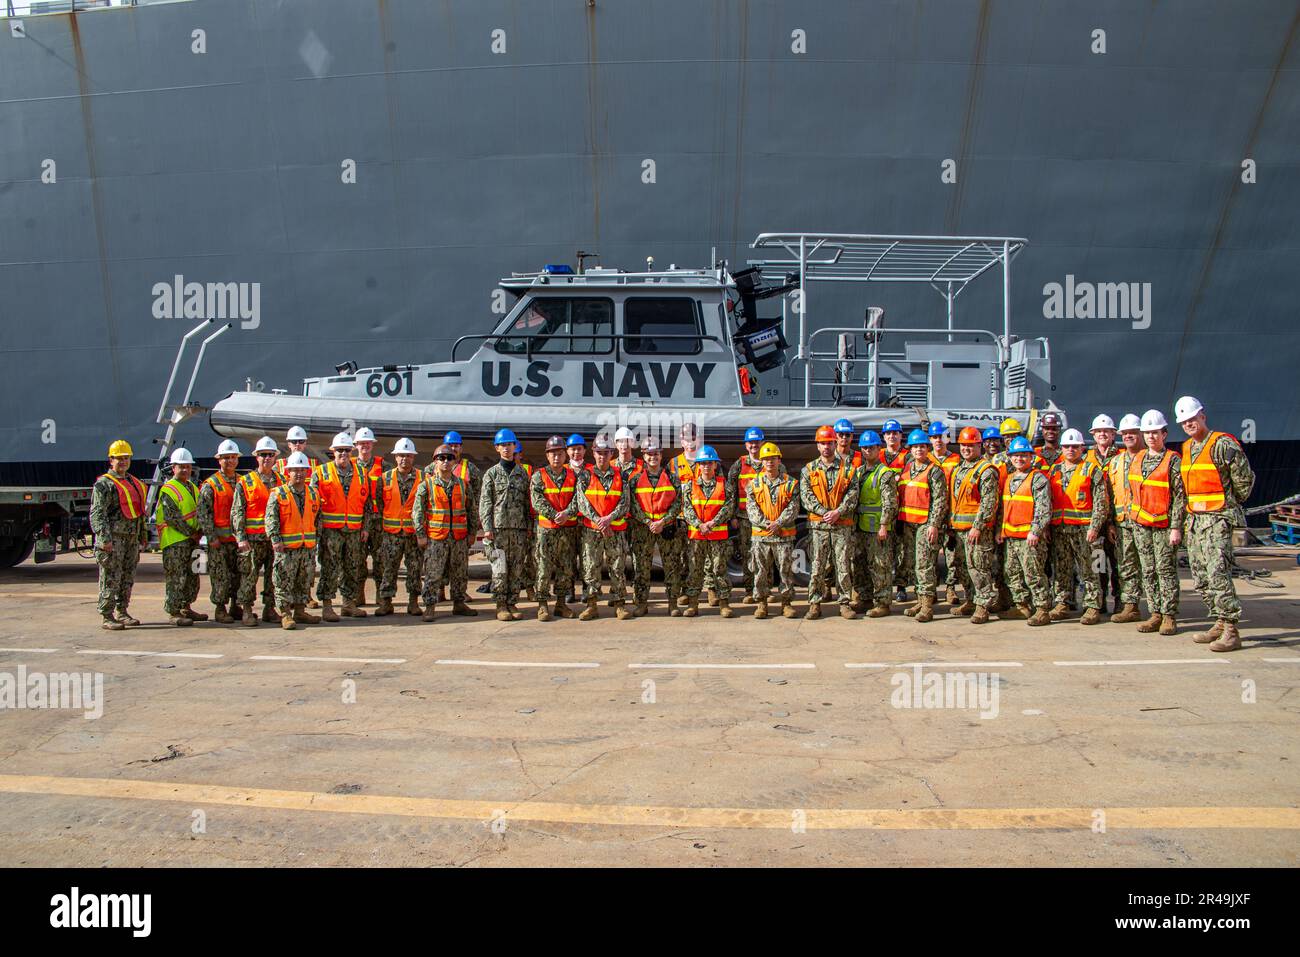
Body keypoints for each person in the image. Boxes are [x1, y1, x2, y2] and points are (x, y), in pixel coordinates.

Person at [1176, 396, 1255, 652]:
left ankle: (1231, 630)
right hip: (1196, 522)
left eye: (1192, 419)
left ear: (1202, 416)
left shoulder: (1222, 444)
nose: (1189, 424)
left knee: (1218, 573)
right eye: (1184, 422)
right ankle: (1219, 621)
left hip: (1218, 520)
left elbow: (1243, 481)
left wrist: (1230, 505)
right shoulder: (1187, 448)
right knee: (1199, 576)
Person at [1127, 410, 1186, 636]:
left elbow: (1179, 496)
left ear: (1164, 434)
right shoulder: (1138, 458)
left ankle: (1169, 615)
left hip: (1163, 525)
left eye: (1155, 433)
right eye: (1148, 433)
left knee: (1165, 570)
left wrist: (1175, 527)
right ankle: (1155, 613)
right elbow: (1133, 490)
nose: (1151, 437)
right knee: (1148, 570)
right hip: (1141, 524)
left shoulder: (1172, 460)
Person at [1046, 429, 1108, 625]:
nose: (1071, 449)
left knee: (1089, 568)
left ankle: (1092, 606)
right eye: (1067, 446)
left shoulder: (1092, 470)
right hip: (1060, 528)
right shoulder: (1054, 471)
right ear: (1061, 449)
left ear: (1082, 448)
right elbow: (1047, 501)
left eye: (1075, 446)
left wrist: (1095, 527)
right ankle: (1063, 602)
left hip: (1084, 529)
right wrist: (1047, 526)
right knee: (1062, 568)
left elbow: (1101, 502)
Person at [311, 432, 375, 621]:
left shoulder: (362, 473)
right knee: (329, 568)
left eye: (347, 450)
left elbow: (368, 504)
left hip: (354, 531)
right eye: (340, 450)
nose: (343, 454)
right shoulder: (321, 473)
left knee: (352, 567)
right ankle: (328, 606)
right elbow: (313, 504)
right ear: (333, 451)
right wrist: (317, 531)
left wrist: (365, 528)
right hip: (331, 531)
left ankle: (348, 604)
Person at [800, 425, 860, 620]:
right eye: (822, 443)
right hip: (818, 527)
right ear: (817, 445)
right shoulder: (808, 470)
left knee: (843, 565)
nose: (826, 446)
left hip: (841, 525)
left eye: (829, 443)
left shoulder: (849, 469)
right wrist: (825, 513)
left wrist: (838, 512)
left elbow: (853, 495)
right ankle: (815, 604)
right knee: (818, 566)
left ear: (835, 444)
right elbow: (806, 497)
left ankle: (844, 603)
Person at [90, 440, 148, 630]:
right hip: (113, 540)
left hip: (131, 538)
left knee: (127, 577)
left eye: (126, 458)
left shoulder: (133, 482)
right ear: (111, 459)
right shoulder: (104, 484)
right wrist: (104, 539)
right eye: (119, 458)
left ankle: (122, 611)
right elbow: (98, 513)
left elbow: (140, 512)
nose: (123, 462)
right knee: (110, 577)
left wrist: (142, 535)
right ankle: (107, 615)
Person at [414, 444, 476, 621]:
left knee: (460, 572)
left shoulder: (463, 485)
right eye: (441, 458)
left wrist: (472, 533)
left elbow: (471, 510)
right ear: (435, 462)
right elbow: (417, 511)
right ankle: (430, 606)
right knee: (433, 573)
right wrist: (420, 534)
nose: (446, 461)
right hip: (436, 538)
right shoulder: (427, 485)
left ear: (455, 462)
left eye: (449, 458)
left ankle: (459, 603)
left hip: (458, 538)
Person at [998, 436, 1053, 625]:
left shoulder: (1038, 478)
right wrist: (1001, 530)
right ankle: (1021, 606)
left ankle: (1042, 608)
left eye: (1023, 455)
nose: (1019, 459)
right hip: (1011, 536)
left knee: (1034, 574)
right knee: (1012, 572)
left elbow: (1043, 508)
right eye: (1016, 456)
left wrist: (1036, 531)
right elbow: (1005, 508)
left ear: (1031, 457)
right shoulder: (1010, 478)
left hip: (1029, 537)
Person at [575, 436, 632, 620]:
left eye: (606, 453)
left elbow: (625, 503)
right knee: (591, 567)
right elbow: (581, 503)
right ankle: (592, 605)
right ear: (593, 453)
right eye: (599, 453)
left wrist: (608, 519)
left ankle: (620, 605)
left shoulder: (621, 475)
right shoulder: (585, 475)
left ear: (611, 454)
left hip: (615, 530)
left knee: (618, 567)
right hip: (592, 531)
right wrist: (600, 522)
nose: (602, 456)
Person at [479, 428, 532, 621]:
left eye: (509, 444)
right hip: (498, 530)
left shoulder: (522, 473)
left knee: (516, 568)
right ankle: (501, 605)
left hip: (518, 529)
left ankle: (512, 603)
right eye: (502, 445)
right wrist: (487, 528)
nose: (506, 448)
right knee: (499, 568)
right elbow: (485, 502)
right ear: (497, 448)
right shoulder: (491, 474)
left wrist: (529, 528)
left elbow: (527, 502)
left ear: (514, 446)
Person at [628, 437, 685, 616]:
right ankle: (642, 603)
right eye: (649, 454)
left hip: (666, 528)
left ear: (661, 455)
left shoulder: (672, 478)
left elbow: (678, 504)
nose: (653, 457)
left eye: (656, 454)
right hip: (643, 530)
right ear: (644, 456)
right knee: (641, 568)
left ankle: (673, 603)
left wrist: (663, 521)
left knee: (671, 566)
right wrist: (648, 522)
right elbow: (632, 505)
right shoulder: (635, 479)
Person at [948, 427, 1000, 623]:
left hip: (977, 531)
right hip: (958, 530)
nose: (966, 449)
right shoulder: (959, 469)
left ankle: (982, 606)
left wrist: (978, 526)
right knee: (962, 568)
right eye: (963, 445)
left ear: (979, 445)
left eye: (970, 445)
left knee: (979, 568)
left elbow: (989, 502)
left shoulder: (986, 470)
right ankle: (970, 600)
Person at [265, 452, 321, 630]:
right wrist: (275, 540)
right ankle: (285, 614)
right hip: (286, 548)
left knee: (303, 580)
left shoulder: (313, 492)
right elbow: (271, 519)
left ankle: (300, 610)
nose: (299, 473)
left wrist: (315, 539)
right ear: (287, 472)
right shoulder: (278, 493)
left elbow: (317, 517)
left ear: (307, 472)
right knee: (283, 581)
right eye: (294, 470)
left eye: (302, 470)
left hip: (307, 547)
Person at [899, 429, 949, 622]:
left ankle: (927, 605)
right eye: (915, 446)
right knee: (913, 564)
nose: (919, 449)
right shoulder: (908, 467)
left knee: (925, 564)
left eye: (922, 446)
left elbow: (939, 500)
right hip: (909, 524)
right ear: (910, 449)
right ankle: (920, 599)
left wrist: (934, 524)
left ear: (928, 448)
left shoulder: (934, 470)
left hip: (925, 525)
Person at [233, 436, 284, 625]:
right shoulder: (246, 482)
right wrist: (241, 537)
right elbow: (237, 511)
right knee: (249, 576)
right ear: (257, 457)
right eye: (263, 455)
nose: (267, 458)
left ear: (275, 458)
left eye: (270, 455)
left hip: (274, 539)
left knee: (274, 576)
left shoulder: (281, 481)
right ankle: (247, 610)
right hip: (252, 539)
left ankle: (269, 609)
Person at [746, 442, 800, 619]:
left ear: (779, 460)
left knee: (786, 571)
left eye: (773, 458)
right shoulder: (753, 484)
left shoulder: (790, 483)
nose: (769, 462)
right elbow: (751, 509)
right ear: (761, 462)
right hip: (761, 537)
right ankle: (762, 603)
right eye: (766, 459)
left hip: (783, 536)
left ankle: (786, 604)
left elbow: (793, 507)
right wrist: (766, 524)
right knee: (760, 571)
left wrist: (779, 523)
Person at [681, 445, 736, 618]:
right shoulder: (690, 486)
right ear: (698, 465)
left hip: (718, 536)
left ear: (715, 465)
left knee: (719, 569)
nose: (706, 466)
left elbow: (728, 506)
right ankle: (693, 604)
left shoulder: (724, 484)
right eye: (703, 463)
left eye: (709, 463)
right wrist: (699, 524)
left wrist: (713, 522)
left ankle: (724, 604)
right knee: (695, 570)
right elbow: (687, 508)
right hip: (697, 536)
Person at [531, 435, 580, 621]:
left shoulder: (573, 476)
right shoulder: (539, 475)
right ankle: (542, 605)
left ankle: (561, 604)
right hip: (547, 530)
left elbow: (578, 499)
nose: (556, 457)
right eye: (553, 453)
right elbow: (537, 500)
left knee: (566, 568)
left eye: (560, 453)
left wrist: (567, 513)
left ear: (565, 455)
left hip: (567, 529)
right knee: (543, 567)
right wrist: (555, 515)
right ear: (547, 455)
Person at [850, 430, 899, 618]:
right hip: (861, 527)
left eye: (871, 447)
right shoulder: (860, 472)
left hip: (878, 528)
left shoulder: (884, 473)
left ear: (879, 448)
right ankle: (865, 598)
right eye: (864, 447)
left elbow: (890, 503)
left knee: (880, 566)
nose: (867, 450)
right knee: (860, 565)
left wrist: (884, 525)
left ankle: (883, 602)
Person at [375, 438, 424, 616]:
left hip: (413, 533)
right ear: (395, 457)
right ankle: (386, 602)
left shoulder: (423, 478)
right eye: (401, 455)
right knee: (388, 568)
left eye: (408, 455)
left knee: (415, 568)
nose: (404, 459)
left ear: (413, 457)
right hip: (391, 534)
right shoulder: (385, 478)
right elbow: (380, 504)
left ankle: (413, 602)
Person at [155, 447, 204, 627]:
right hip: (176, 541)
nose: (185, 470)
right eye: (181, 467)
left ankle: (186, 606)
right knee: (177, 577)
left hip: (192, 541)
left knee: (192, 575)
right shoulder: (169, 489)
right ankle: (174, 611)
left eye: (188, 467)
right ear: (173, 468)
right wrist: (192, 533)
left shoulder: (192, 487)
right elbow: (172, 517)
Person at [1106, 414, 1147, 624]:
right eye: (1126, 433)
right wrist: (1111, 522)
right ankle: (1130, 606)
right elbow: (1111, 495)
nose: (1129, 436)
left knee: (1151, 566)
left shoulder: (1151, 457)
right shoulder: (1115, 462)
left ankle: (1160, 610)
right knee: (1126, 564)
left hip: (1147, 522)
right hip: (1123, 522)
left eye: (1133, 432)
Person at [199, 439, 244, 624]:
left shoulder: (243, 481)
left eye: (233, 457)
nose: (230, 461)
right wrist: (211, 537)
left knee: (239, 574)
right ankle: (220, 608)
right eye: (226, 458)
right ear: (219, 460)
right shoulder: (211, 484)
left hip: (238, 540)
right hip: (219, 541)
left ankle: (236, 606)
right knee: (220, 576)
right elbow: (203, 513)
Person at [276, 426, 320, 607]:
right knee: (284, 570)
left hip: (306, 524)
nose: (297, 445)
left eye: (301, 442)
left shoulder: (314, 465)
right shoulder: (279, 465)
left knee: (306, 566)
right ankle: (285, 603)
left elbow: (317, 493)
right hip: (287, 523)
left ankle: (306, 597)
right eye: (294, 442)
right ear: (288, 444)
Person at [1085, 414, 1123, 612]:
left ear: (1113, 433)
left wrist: (1112, 523)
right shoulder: (1086, 458)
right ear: (1093, 434)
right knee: (1098, 563)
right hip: (1096, 522)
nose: (1102, 434)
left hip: (1117, 518)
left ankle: (1120, 601)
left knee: (1118, 562)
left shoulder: (1122, 456)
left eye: (1106, 431)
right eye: (1098, 431)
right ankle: (1098, 601)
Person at [727, 427, 769, 603]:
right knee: (747, 554)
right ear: (746, 445)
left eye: (757, 442)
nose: (754, 445)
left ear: (762, 443)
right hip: (744, 518)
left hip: (766, 518)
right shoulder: (739, 464)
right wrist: (733, 516)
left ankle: (765, 590)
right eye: (751, 442)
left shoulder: (770, 461)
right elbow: (731, 492)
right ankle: (749, 590)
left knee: (766, 554)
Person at [927, 421, 962, 606]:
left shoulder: (956, 460)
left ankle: (950, 588)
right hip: (931, 514)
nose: (938, 440)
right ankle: (930, 591)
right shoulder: (925, 459)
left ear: (947, 438)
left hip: (950, 514)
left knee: (951, 554)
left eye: (940, 436)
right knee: (930, 553)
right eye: (934, 437)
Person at [352, 427, 386, 605]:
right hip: (358, 520)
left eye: (367, 443)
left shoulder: (383, 466)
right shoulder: (349, 466)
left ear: (372, 445)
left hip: (378, 521)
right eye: (361, 443)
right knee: (358, 559)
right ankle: (358, 595)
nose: (364, 446)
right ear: (356, 445)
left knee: (381, 560)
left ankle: (381, 596)